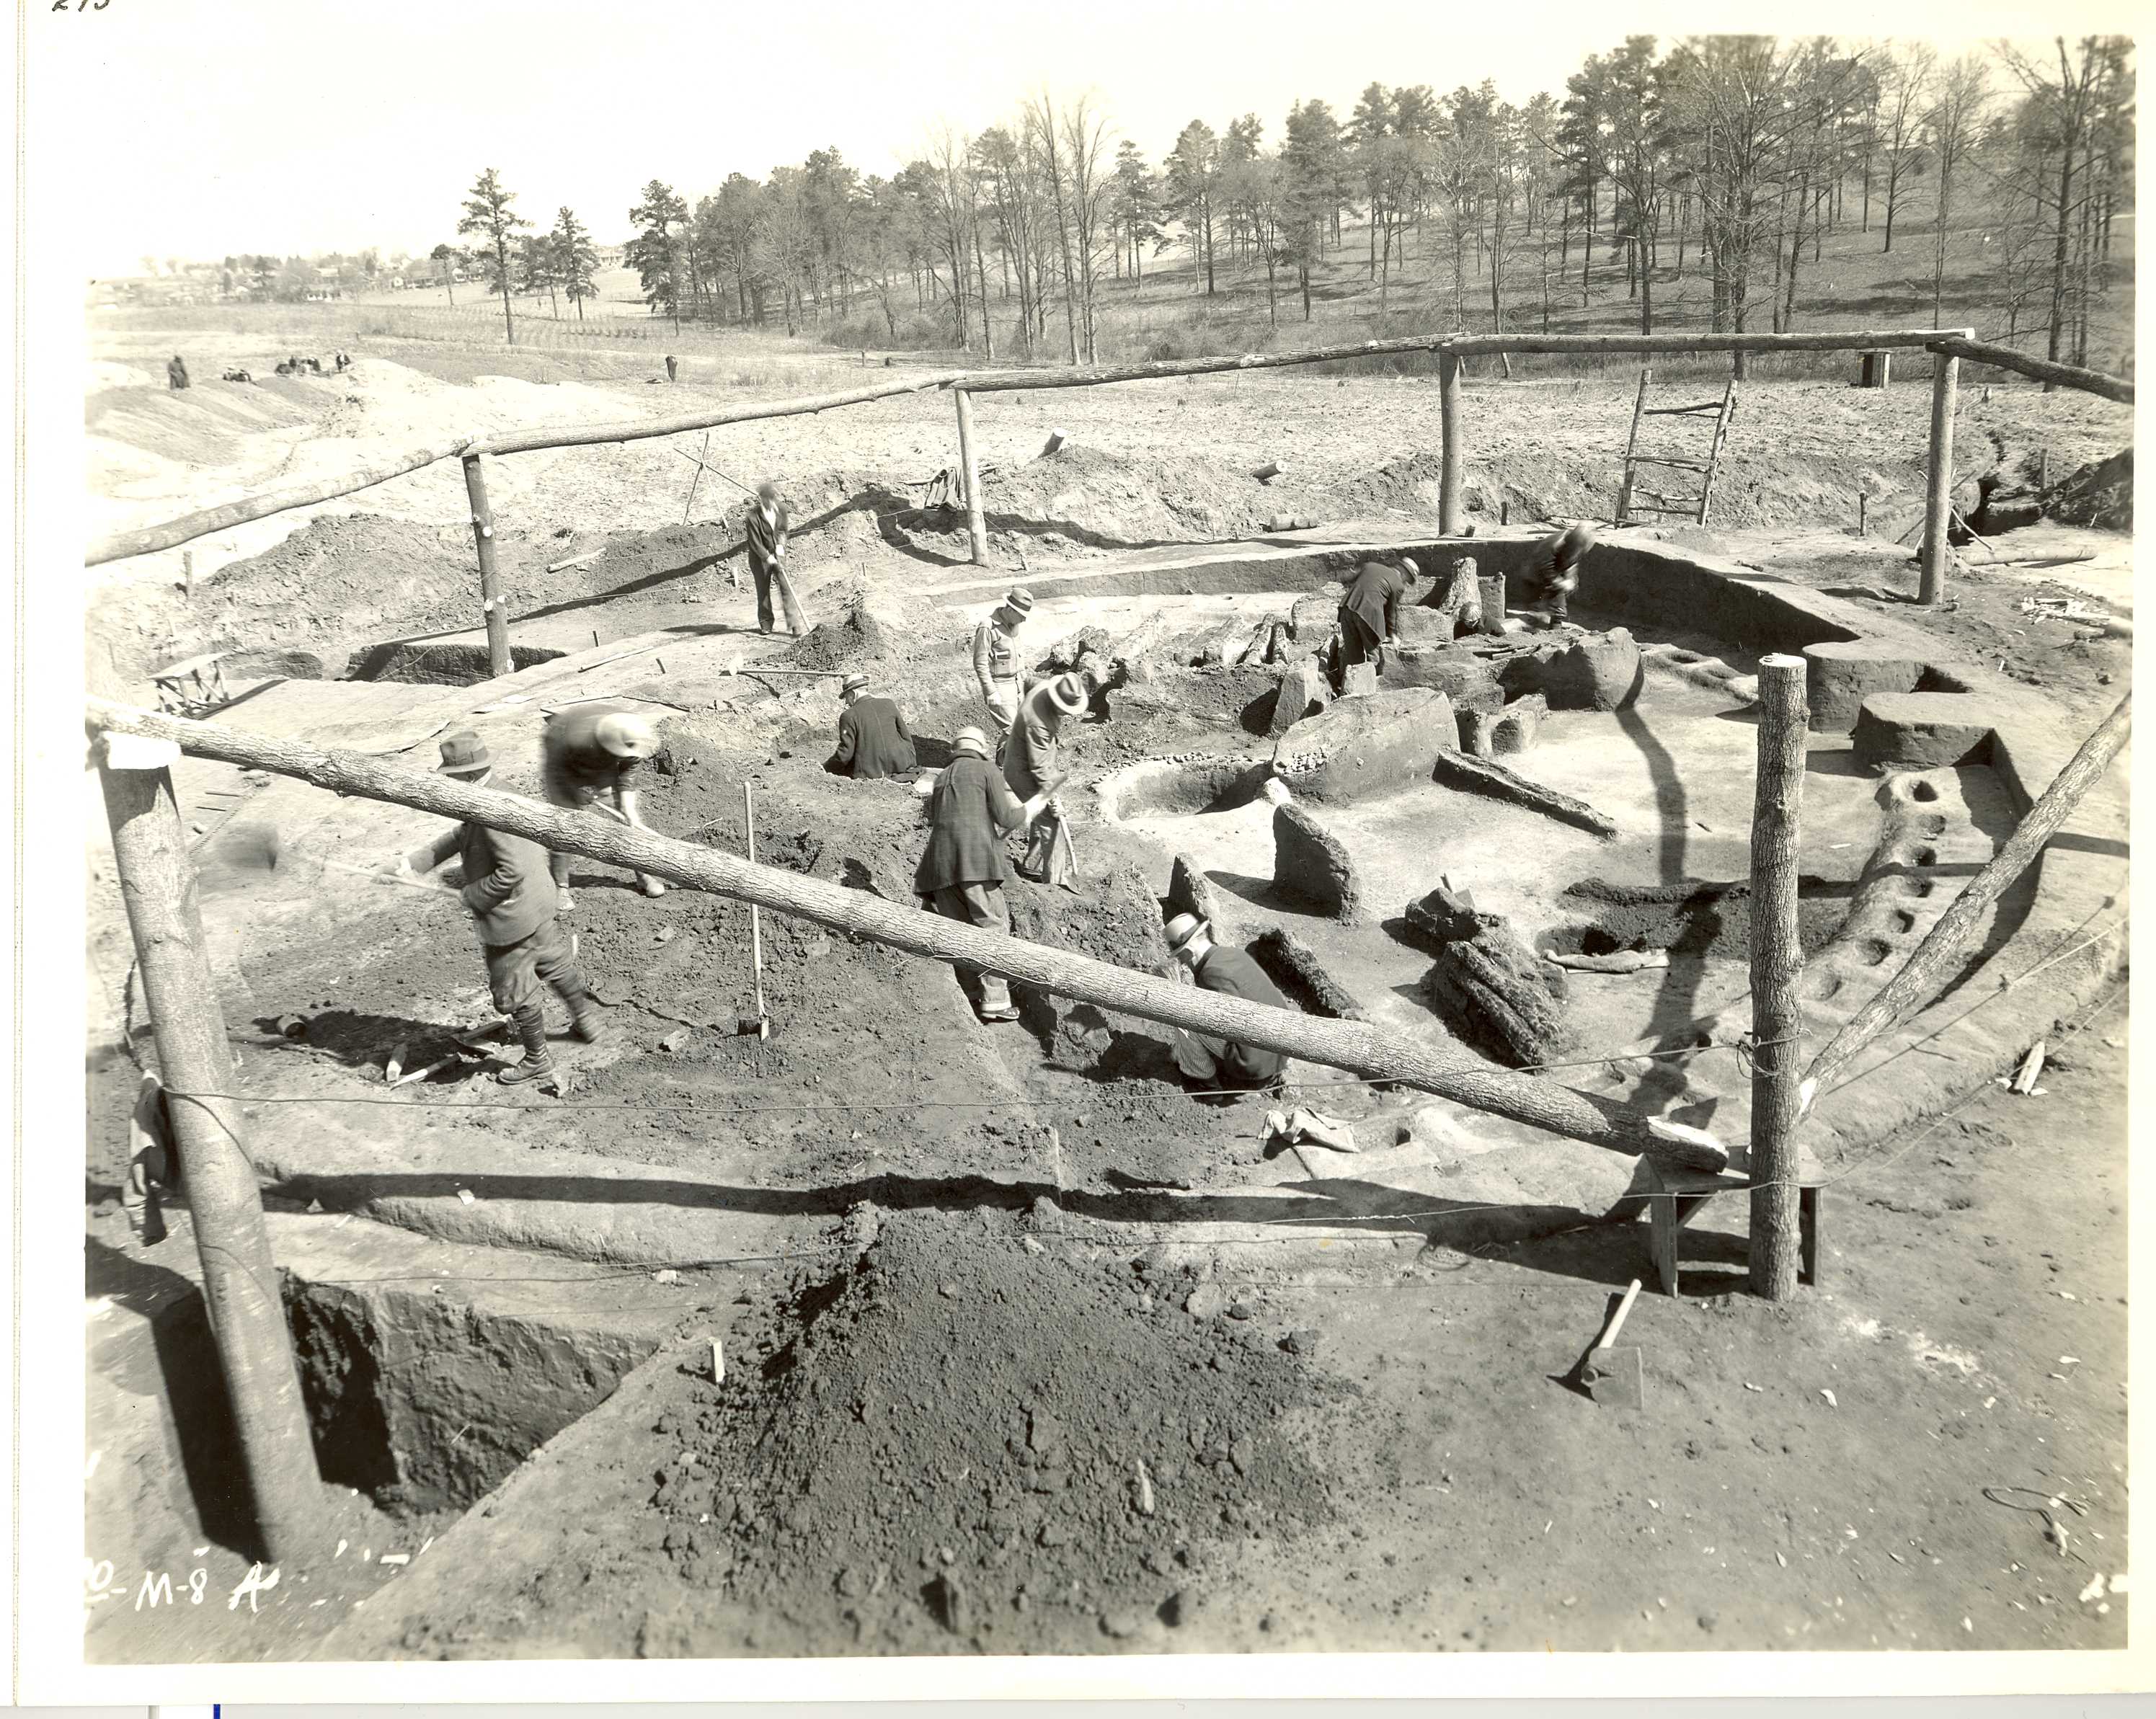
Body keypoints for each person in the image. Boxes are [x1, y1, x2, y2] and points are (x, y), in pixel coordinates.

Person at [379, 730, 605, 1087]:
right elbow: (461, 836)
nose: (449, 785)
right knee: (552, 961)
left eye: (453, 778)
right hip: (539, 901)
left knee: (514, 988)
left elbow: (510, 872)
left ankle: (537, 1060)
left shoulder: (490, 814)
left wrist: (473, 895)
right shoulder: (500, 793)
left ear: (470, 776)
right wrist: (411, 864)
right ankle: (585, 1021)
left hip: (512, 916)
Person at [915, 727, 1049, 1023]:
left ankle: (972, 994)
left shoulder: (941, 777)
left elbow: (935, 818)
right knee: (992, 927)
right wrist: (1031, 807)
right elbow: (1006, 817)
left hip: (939, 868)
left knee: (959, 933)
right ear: (983, 749)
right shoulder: (987, 770)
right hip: (974, 863)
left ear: (954, 750)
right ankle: (996, 1000)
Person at [539, 704, 668, 908]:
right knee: (565, 823)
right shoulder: (573, 738)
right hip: (563, 763)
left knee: (627, 821)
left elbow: (629, 770)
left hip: (600, 758)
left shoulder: (631, 733)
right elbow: (557, 770)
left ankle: (643, 874)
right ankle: (560, 886)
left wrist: (628, 808)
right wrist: (574, 790)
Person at [1163, 912, 1290, 1097]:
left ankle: (1208, 1087)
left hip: (1255, 1063)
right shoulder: (1234, 953)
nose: (1184, 965)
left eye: (1182, 959)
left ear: (1189, 952)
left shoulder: (1211, 974)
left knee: (1184, 1019)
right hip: (1282, 1049)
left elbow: (1225, 1024)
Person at [1002, 670, 1089, 888]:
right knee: (1052, 822)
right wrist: (1053, 799)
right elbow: (1039, 768)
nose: (1068, 714)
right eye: (1066, 710)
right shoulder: (1038, 725)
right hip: (1023, 773)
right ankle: (1055, 885)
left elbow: (1028, 681)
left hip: (1032, 761)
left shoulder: (1044, 686)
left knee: (1042, 816)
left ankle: (1032, 866)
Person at [970, 587, 1034, 741]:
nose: (1024, 620)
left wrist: (1026, 684)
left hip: (1018, 683)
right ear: (1011, 610)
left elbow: (1018, 657)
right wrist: (991, 691)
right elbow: (980, 662)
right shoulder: (988, 627)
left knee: (1022, 728)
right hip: (1000, 685)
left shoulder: (1014, 625)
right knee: (1015, 731)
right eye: (1022, 616)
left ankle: (1004, 756)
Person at [828, 672, 916, 780]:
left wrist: (826, 768)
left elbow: (845, 754)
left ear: (853, 694)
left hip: (871, 773)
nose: (846, 702)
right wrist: (911, 762)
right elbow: (906, 736)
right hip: (901, 765)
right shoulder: (889, 704)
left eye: (846, 697)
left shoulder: (849, 715)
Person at [744, 481, 804, 636]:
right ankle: (766, 624)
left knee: (786, 587)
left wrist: (780, 548)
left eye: (773, 498)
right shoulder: (752, 517)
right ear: (762, 498)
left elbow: (783, 531)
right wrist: (769, 558)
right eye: (768, 499)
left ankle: (794, 624)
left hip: (778, 554)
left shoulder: (781, 509)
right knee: (763, 591)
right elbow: (755, 543)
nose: (772, 502)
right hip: (760, 559)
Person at [1522, 521, 1598, 629]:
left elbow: (1572, 563)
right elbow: (1544, 566)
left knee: (1559, 609)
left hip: (1555, 577)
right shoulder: (1555, 544)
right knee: (1536, 610)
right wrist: (1560, 582)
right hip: (1536, 576)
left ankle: (1555, 624)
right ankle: (1534, 625)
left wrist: (1571, 579)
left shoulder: (1577, 546)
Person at [1337, 558, 1408, 672]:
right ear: (1404, 574)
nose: (1406, 583)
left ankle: (1353, 681)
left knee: (1353, 656)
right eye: (1407, 580)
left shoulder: (1370, 566)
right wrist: (1392, 634)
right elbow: (1391, 612)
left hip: (1347, 608)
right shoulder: (1398, 585)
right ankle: (1374, 679)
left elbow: (1348, 579)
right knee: (1374, 655)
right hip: (1369, 614)